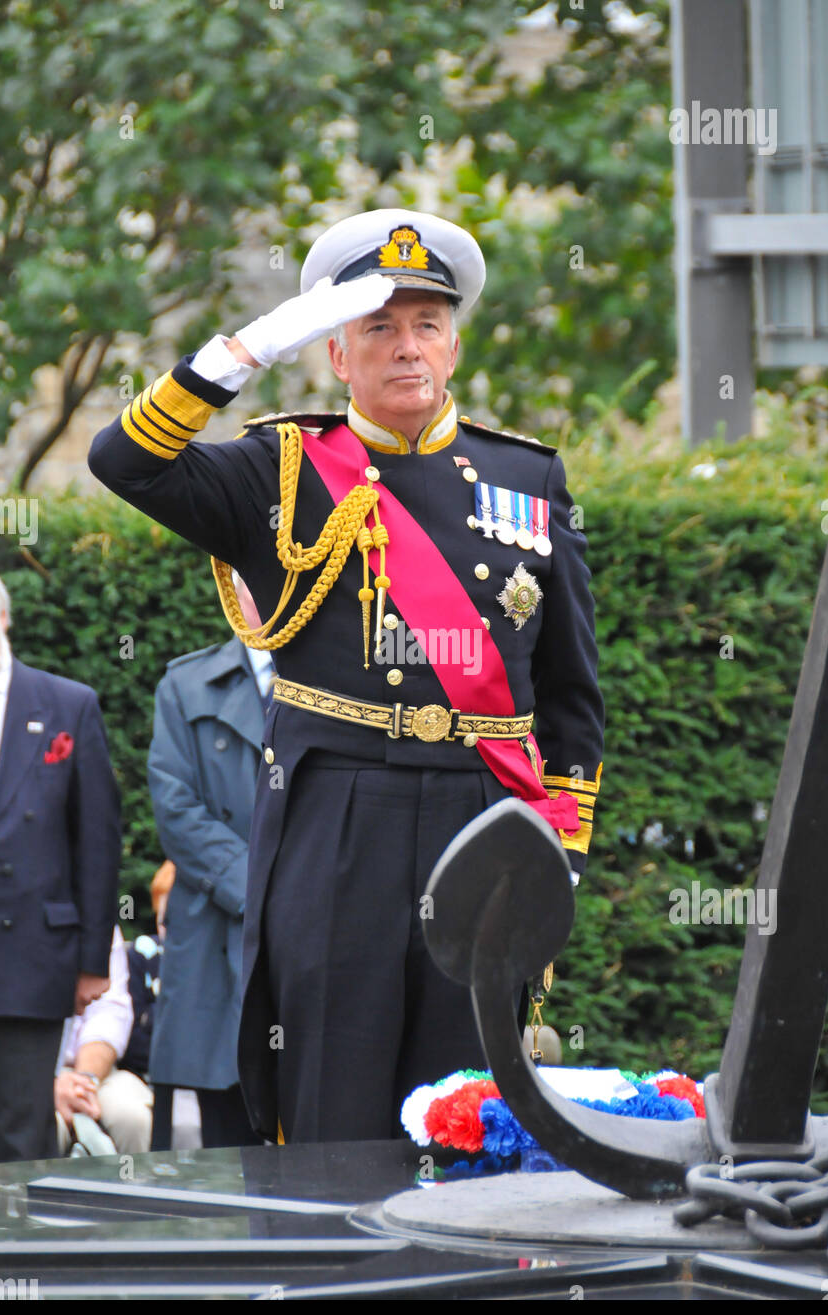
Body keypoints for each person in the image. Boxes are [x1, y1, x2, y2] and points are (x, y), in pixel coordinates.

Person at [88, 208, 604, 1145]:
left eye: (427, 325)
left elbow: (569, 694)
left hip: (482, 813)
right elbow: (124, 460)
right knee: (333, 1085)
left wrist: (557, 852)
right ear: (334, 353)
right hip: (338, 817)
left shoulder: (526, 478)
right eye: (378, 327)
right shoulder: (281, 468)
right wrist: (240, 353)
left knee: (467, 1099)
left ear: (452, 346)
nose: (406, 348)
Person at [0, 570, 121, 1161]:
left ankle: (22, 1254)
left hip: (32, 960)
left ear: (3, 619)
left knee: (23, 1131)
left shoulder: (67, 704)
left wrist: (92, 963)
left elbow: (96, 841)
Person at [146, 579, 270, 1148]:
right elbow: (176, 811)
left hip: (319, 933)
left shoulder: (348, 682)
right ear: (231, 591)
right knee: (229, 1145)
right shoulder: (185, 683)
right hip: (220, 941)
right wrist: (263, 888)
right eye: (251, 579)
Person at [54, 926, 154, 1154]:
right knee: (48, 1124)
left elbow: (110, 1010)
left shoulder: (97, 919)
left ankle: (133, 1187)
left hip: (94, 1070)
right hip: (22, 1072)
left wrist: (84, 1082)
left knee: (133, 1117)